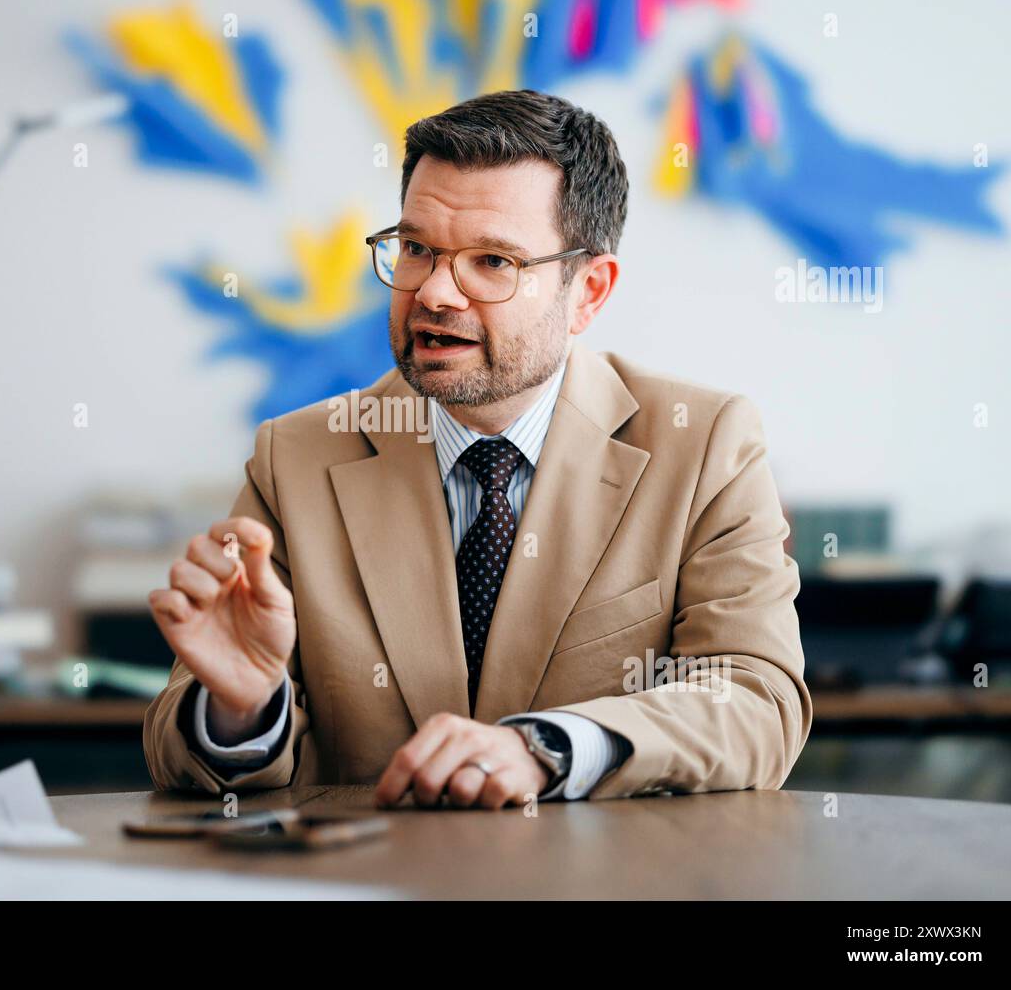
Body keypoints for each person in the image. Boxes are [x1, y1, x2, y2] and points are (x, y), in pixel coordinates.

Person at [145, 89, 811, 810]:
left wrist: (545, 748)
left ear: (588, 290)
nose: (434, 293)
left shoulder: (705, 442)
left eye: (492, 261)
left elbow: (755, 698)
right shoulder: (297, 456)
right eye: (417, 248)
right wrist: (246, 710)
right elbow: (181, 747)